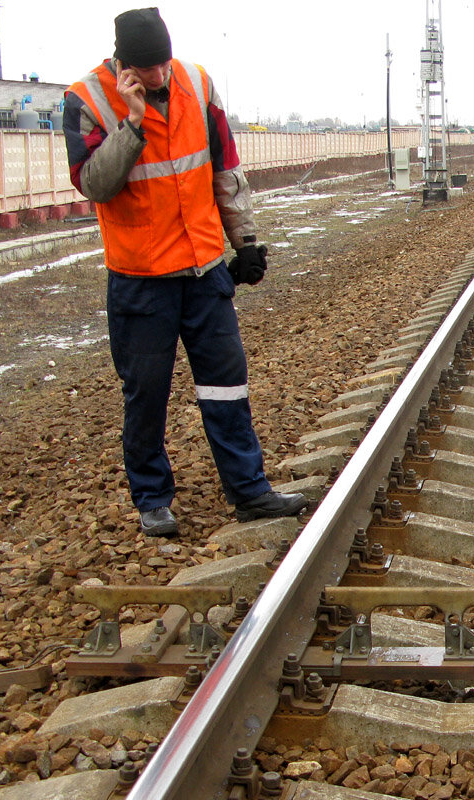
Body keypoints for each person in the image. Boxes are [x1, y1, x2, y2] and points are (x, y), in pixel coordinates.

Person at [63, 7, 306, 538]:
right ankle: (152, 498)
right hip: (140, 277)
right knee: (145, 393)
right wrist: (131, 123)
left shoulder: (197, 81)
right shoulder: (86, 100)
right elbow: (95, 184)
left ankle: (250, 491)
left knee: (226, 384)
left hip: (203, 270)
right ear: (123, 64)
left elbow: (224, 169)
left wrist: (243, 242)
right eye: (146, 69)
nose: (158, 77)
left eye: (162, 64)